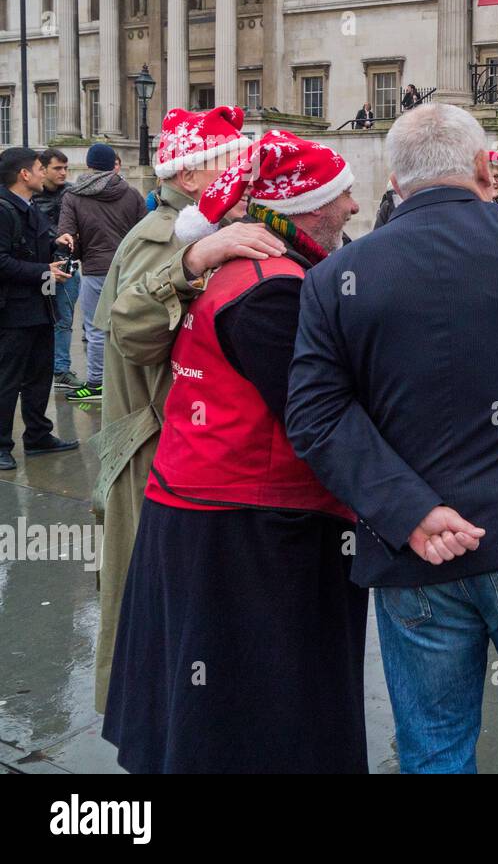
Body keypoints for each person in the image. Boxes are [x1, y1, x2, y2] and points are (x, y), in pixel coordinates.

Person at [285, 102, 498, 774]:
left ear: (394, 178)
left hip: (415, 550)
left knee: (435, 744)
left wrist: (409, 511)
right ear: (482, 168)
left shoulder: (332, 278)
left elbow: (316, 415)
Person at [102, 130, 368, 774]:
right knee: (256, 707)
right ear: (304, 204)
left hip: (204, 504)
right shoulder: (266, 285)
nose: (356, 206)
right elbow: (322, 420)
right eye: (343, 193)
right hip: (249, 520)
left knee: (206, 698)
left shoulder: (257, 267)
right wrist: (412, 505)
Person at [91, 105, 286, 713]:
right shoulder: (166, 234)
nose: (244, 178)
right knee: (155, 615)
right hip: (154, 449)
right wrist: (195, 260)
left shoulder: (181, 224)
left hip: (162, 442)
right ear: (198, 176)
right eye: (232, 164)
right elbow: (132, 329)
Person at [0, 147, 80, 472]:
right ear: (24, 175)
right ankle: (2, 445)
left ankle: (38, 435)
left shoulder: (28, 207)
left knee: (39, 375)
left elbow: (33, 248)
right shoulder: (4, 209)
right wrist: (45, 270)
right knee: (8, 379)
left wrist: (56, 244)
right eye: (38, 167)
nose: (44, 172)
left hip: (40, 306)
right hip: (12, 312)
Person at [57, 144, 148, 402]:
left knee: (96, 330)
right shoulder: (131, 194)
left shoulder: (74, 196)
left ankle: (97, 383)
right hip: (129, 270)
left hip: (96, 270)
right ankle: (132, 381)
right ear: (113, 165)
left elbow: (66, 235)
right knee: (130, 326)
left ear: (89, 165)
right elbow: (144, 232)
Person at [34, 149, 79, 389]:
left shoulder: (72, 193)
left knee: (64, 318)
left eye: (65, 168)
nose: (63, 172)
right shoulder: (32, 195)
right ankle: (39, 368)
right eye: (57, 168)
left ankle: (60, 370)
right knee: (42, 317)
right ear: (43, 169)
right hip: (42, 269)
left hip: (67, 267)